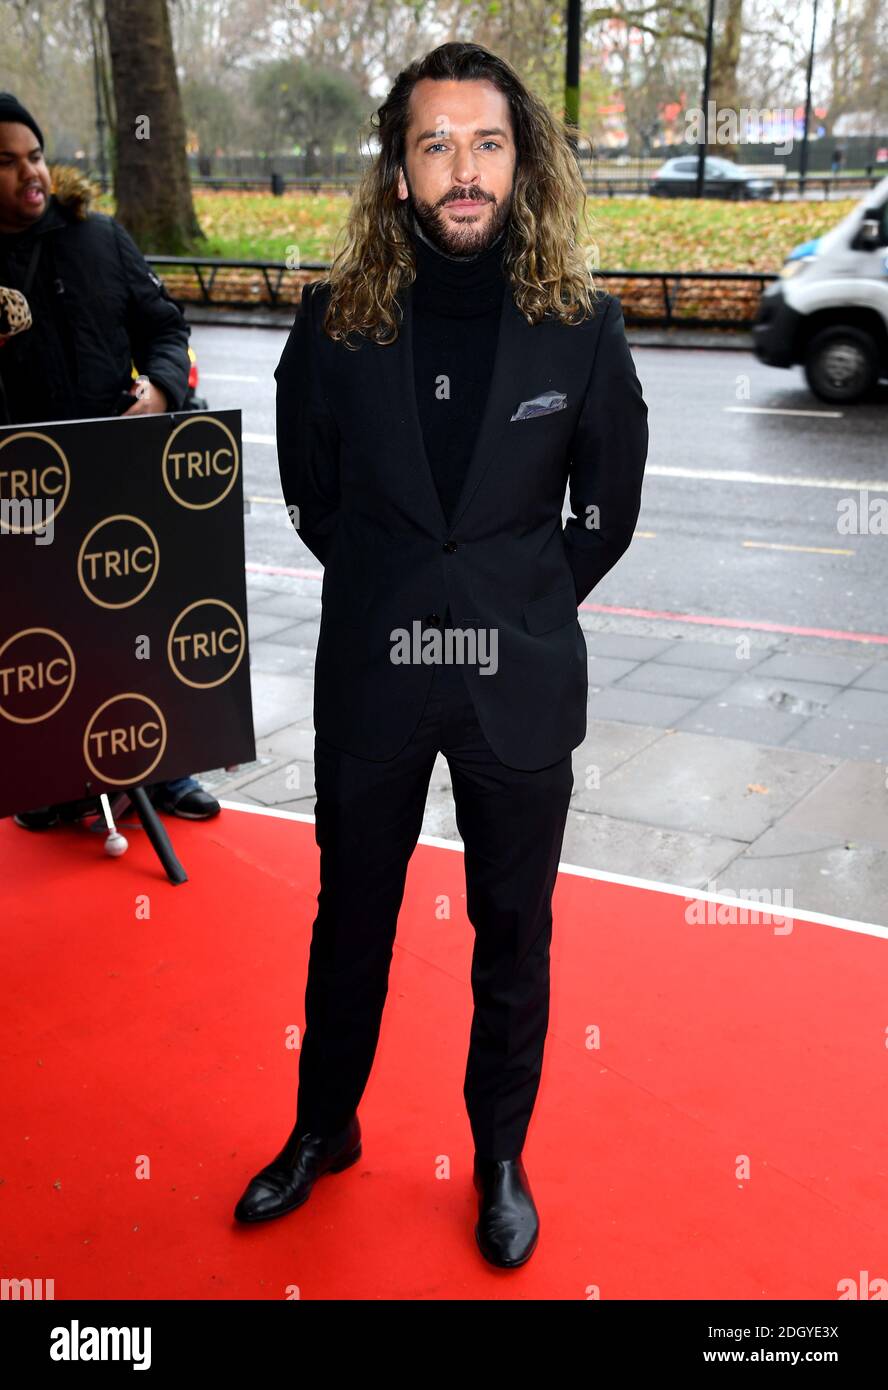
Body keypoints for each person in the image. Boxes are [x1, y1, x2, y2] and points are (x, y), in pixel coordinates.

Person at [233, 42, 649, 1267]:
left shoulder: (582, 325)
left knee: (512, 932)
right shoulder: (333, 319)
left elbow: (607, 509)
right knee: (348, 916)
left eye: (486, 143)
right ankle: (325, 1128)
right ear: (399, 170)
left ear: (523, 162)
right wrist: (392, 590)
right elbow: (311, 492)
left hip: (518, 688)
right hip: (376, 672)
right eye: (435, 144)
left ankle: (501, 1155)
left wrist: (516, 603)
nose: (462, 170)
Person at [0, 92, 219, 825]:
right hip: (23, 489)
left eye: (33, 155)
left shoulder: (101, 238)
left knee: (141, 623)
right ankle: (60, 782)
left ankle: (167, 771)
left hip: (120, 473)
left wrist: (161, 389)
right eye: (5, 162)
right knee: (47, 630)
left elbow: (164, 324)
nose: (29, 173)